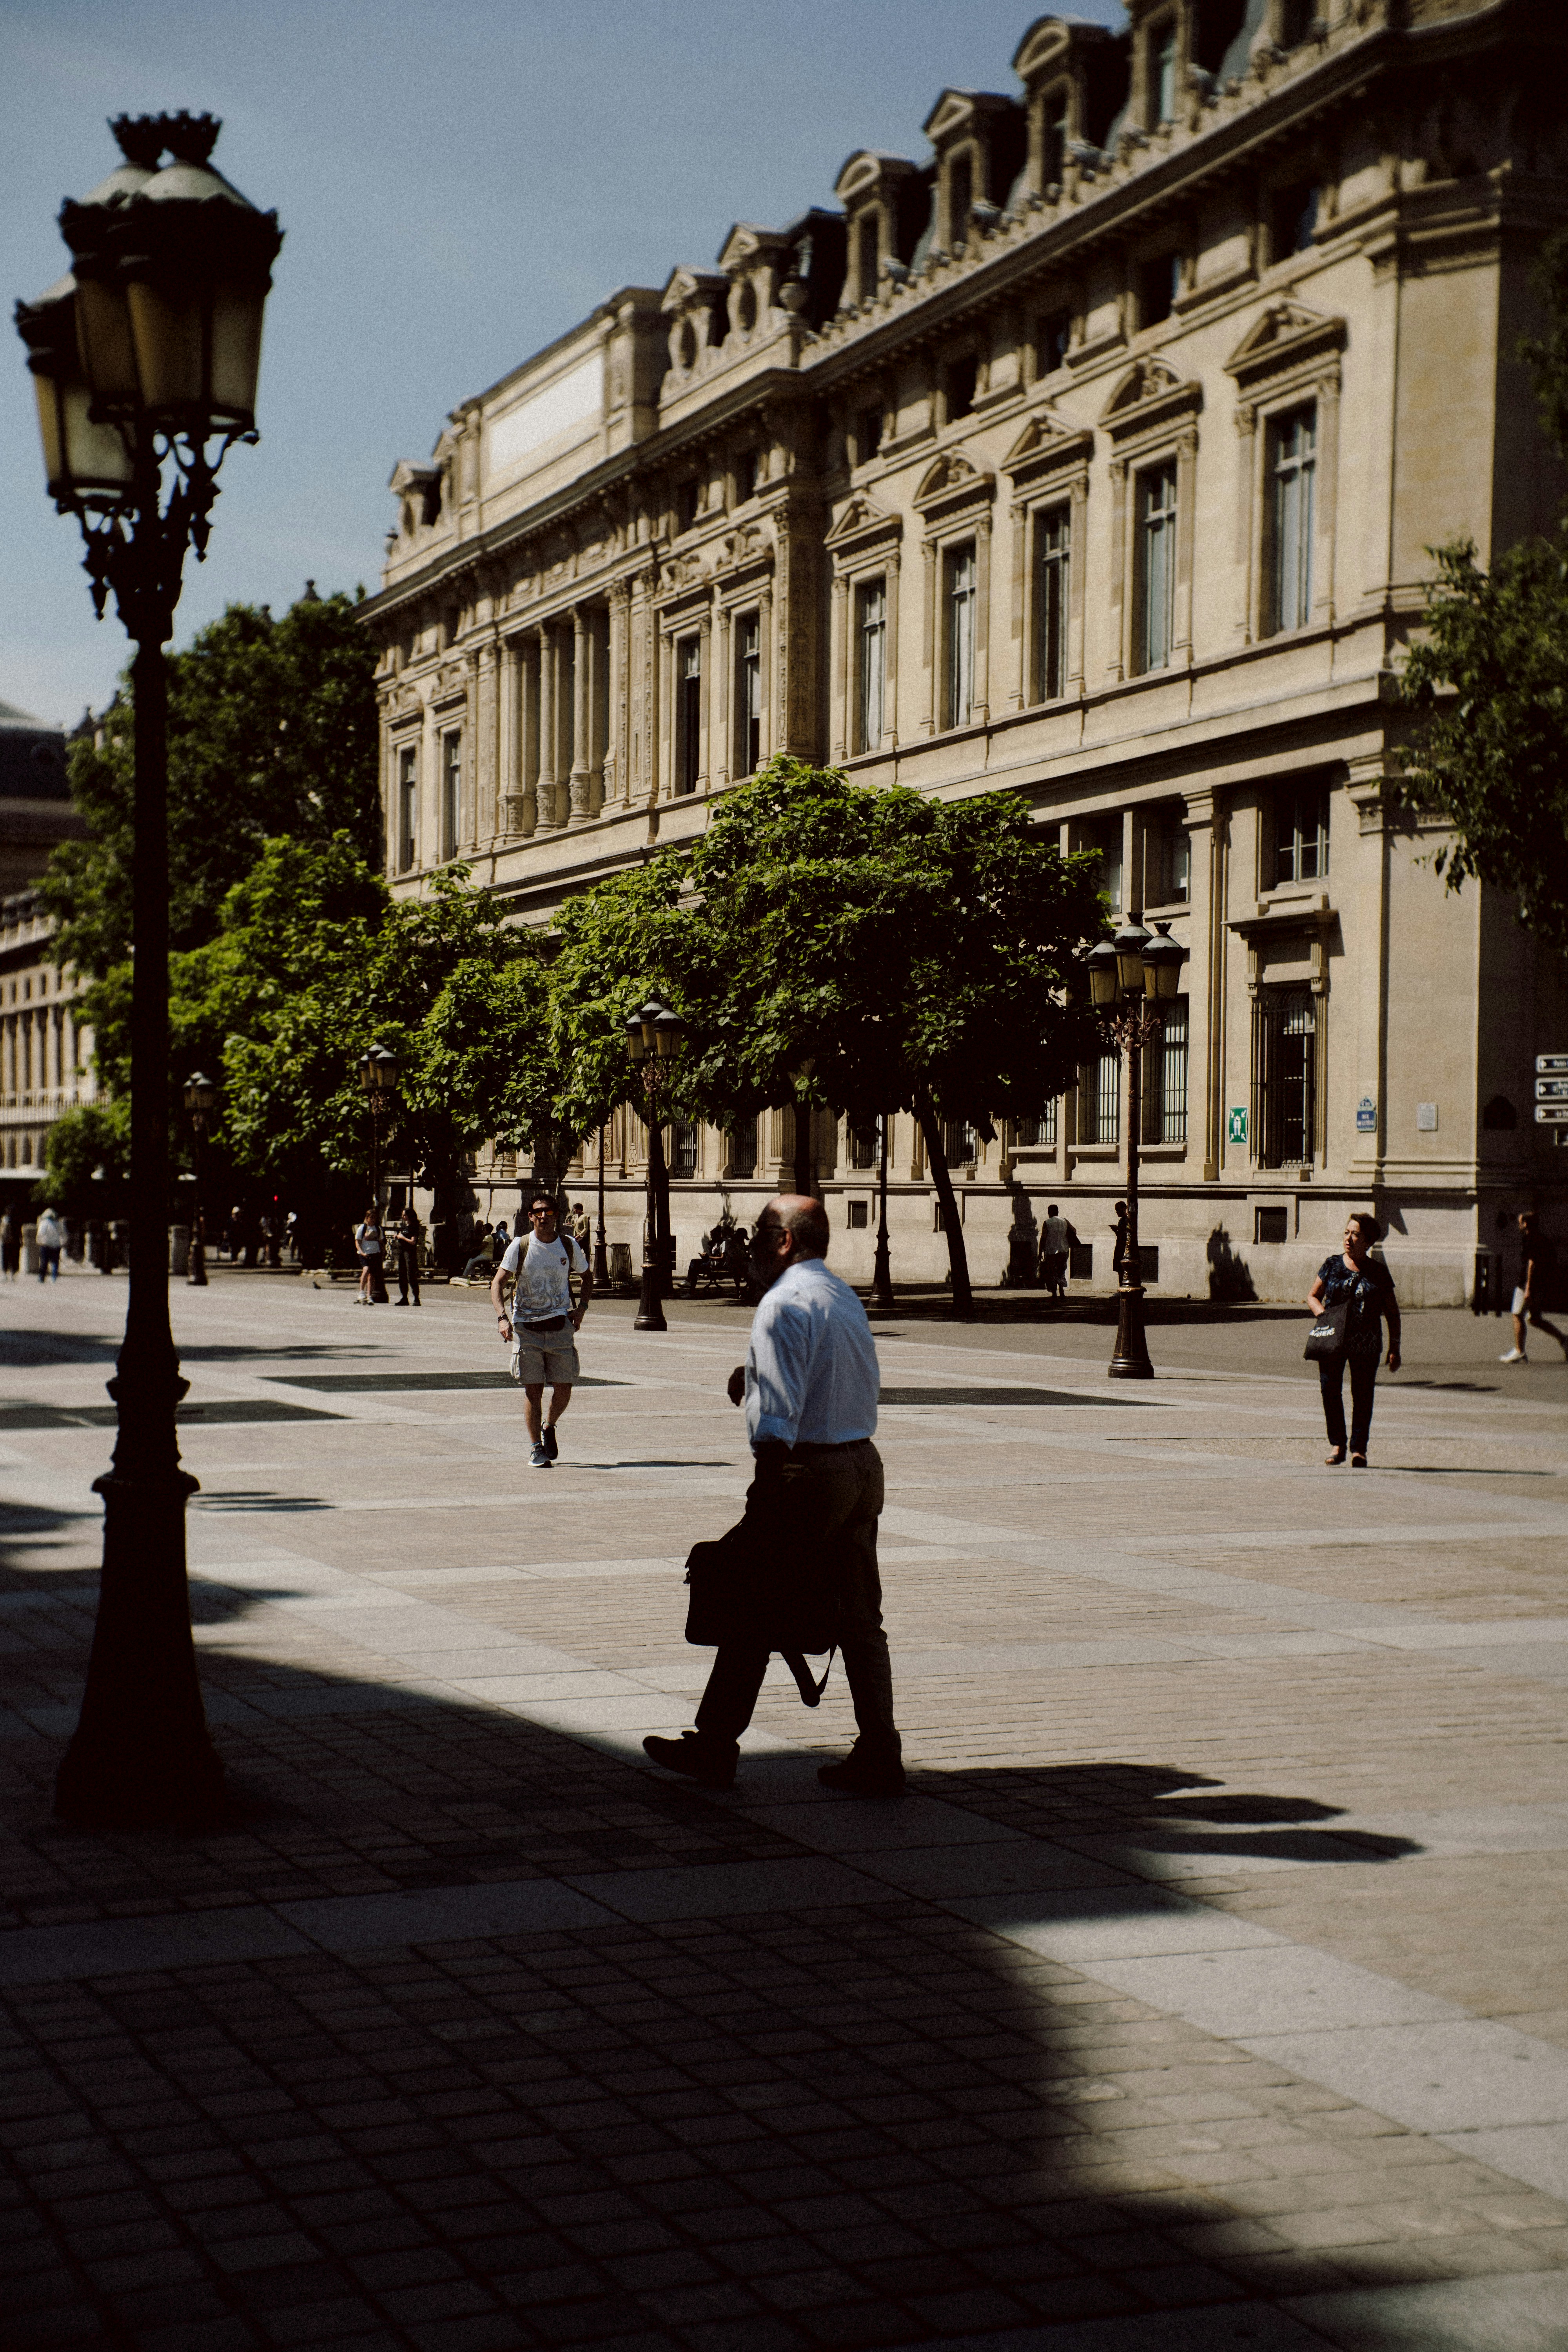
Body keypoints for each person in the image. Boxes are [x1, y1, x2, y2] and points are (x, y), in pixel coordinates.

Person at [643, 1193, 903, 1798]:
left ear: (787, 1241)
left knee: (749, 1603)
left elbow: (779, 1419)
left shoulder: (781, 1303)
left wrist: (765, 1490)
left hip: (808, 1473)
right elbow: (832, 1373)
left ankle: (714, 1746)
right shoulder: (838, 1294)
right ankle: (880, 1750)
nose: (750, 1242)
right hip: (861, 1465)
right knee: (862, 1620)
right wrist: (753, 1376)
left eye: (761, 1233)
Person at [491, 1192, 592, 1467]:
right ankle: (535, 1447)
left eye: (549, 1212)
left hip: (560, 1326)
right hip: (527, 1329)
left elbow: (587, 1277)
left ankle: (550, 1425)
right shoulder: (520, 1246)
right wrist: (503, 1318)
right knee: (532, 1390)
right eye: (539, 1212)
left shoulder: (568, 1246)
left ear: (557, 1216)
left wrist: (581, 1309)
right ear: (531, 1216)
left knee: (564, 1387)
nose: (544, 1216)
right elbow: (497, 1283)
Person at [1306, 1212, 1401, 1467]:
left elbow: (1392, 1312)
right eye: (1347, 1233)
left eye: (1356, 1234)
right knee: (1330, 1390)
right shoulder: (1332, 1265)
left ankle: (1359, 1449)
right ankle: (1338, 1444)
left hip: (1366, 1342)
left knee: (1363, 1395)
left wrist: (1395, 1348)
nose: (1349, 1238)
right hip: (1332, 1340)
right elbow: (1313, 1296)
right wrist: (1323, 1315)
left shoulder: (1378, 1272)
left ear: (1368, 1241)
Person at [1500, 1211, 1568, 1363]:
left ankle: (1519, 1351)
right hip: (1540, 1285)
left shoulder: (1531, 1240)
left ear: (1526, 1224)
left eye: (1520, 1222)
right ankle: (1564, 1340)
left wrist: (1528, 1288)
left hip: (1526, 1285)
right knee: (1535, 1319)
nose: (1518, 1225)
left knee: (1517, 1315)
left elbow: (1532, 1264)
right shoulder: (1542, 1239)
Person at [1038, 1202, 1073, 1301]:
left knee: (1052, 1272)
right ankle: (1062, 1291)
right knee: (1061, 1271)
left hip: (1051, 1251)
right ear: (1058, 1212)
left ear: (1049, 1213)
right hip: (1064, 1250)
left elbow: (1043, 1238)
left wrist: (1040, 1252)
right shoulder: (1065, 1221)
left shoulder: (1047, 1223)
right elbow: (1074, 1231)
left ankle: (1054, 1294)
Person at [354, 1205, 386, 1303]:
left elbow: (381, 1241)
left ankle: (370, 1295)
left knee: (372, 1275)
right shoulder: (362, 1228)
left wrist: (382, 1252)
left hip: (375, 1253)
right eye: (371, 1217)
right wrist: (362, 1252)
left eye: (374, 1218)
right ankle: (361, 1291)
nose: (373, 1220)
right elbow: (358, 1241)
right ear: (367, 1218)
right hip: (365, 1253)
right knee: (366, 1269)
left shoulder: (378, 1229)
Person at [393, 1201, 422, 1306]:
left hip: (410, 1254)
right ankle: (404, 1297)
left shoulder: (413, 1227)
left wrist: (402, 1238)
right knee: (402, 1275)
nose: (403, 1217)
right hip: (402, 1253)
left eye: (404, 1215)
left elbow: (413, 1242)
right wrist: (398, 1238)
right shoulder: (406, 1227)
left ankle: (416, 1298)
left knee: (411, 1276)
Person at [34, 1205, 65, 1283]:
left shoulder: (44, 1223)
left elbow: (41, 1233)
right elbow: (63, 1233)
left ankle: (42, 1278)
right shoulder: (58, 1223)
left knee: (44, 1262)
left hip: (45, 1245)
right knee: (55, 1262)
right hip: (56, 1245)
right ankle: (54, 1277)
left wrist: (38, 1241)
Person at [0, 1207, 20, 1279]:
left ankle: (7, 1274)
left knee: (7, 1258)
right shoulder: (15, 1219)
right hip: (12, 1241)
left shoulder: (4, 1219)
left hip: (7, 1241)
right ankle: (11, 1274)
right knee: (11, 1258)